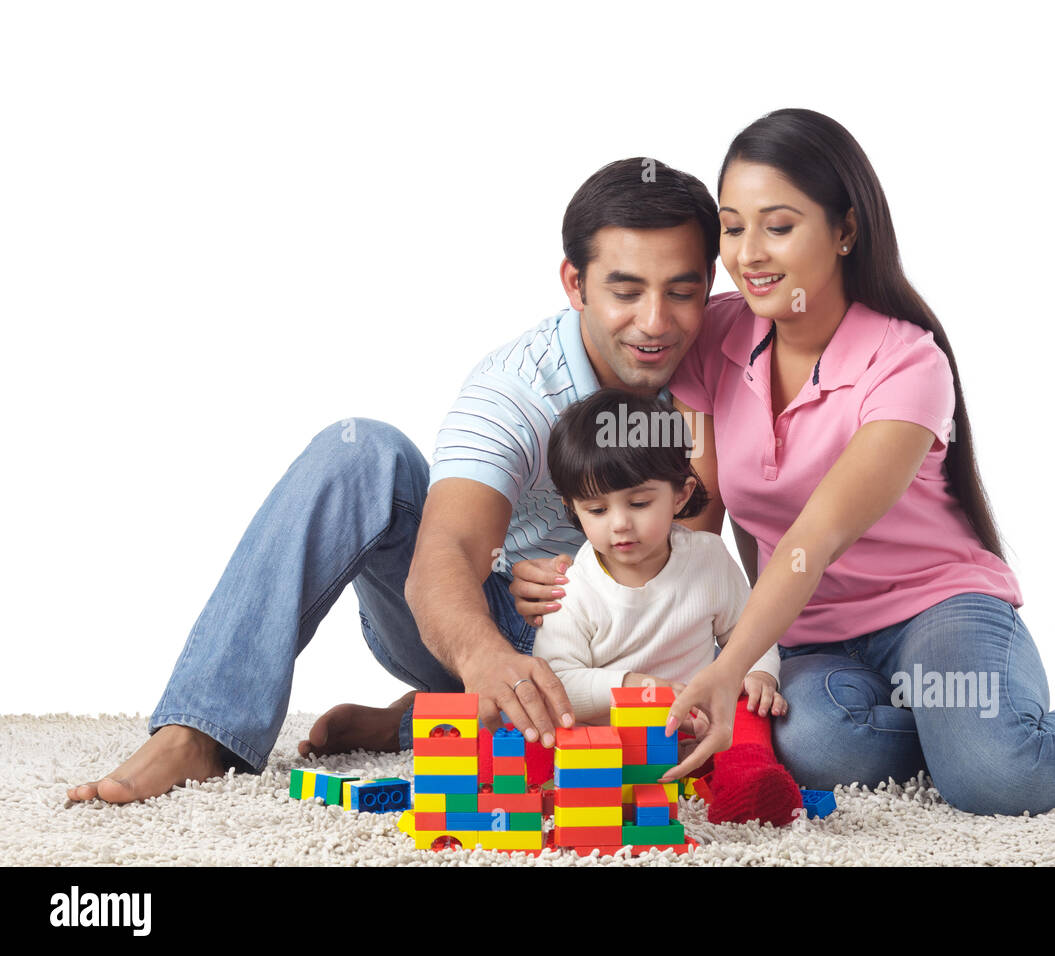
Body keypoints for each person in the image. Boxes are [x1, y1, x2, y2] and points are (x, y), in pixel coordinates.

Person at [513, 109, 1055, 817]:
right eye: (733, 228)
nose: (749, 254)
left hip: (935, 610)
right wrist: (594, 589)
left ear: (844, 230)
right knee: (814, 748)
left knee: (996, 776)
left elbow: (814, 539)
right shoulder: (717, 336)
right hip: (811, 633)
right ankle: (961, 734)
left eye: (778, 226)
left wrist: (727, 668)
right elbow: (692, 515)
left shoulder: (906, 363)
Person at [67, 157, 721, 805]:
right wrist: (484, 656)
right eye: (626, 292)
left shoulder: (719, 362)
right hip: (496, 626)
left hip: (639, 636)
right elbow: (447, 552)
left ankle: (426, 720)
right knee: (360, 451)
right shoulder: (517, 388)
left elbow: (697, 550)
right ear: (575, 284)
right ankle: (200, 732)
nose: (655, 322)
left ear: (710, 283)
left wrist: (601, 580)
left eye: (681, 292)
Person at [534, 388, 800, 825]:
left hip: (700, 730)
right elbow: (559, 683)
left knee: (748, 706)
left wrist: (759, 674)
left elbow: (749, 632)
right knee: (542, 729)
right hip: (610, 746)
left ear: (680, 494)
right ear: (573, 508)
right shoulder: (572, 587)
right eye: (596, 509)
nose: (620, 523)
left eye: (639, 503)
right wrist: (636, 686)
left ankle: (748, 780)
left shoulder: (708, 559)